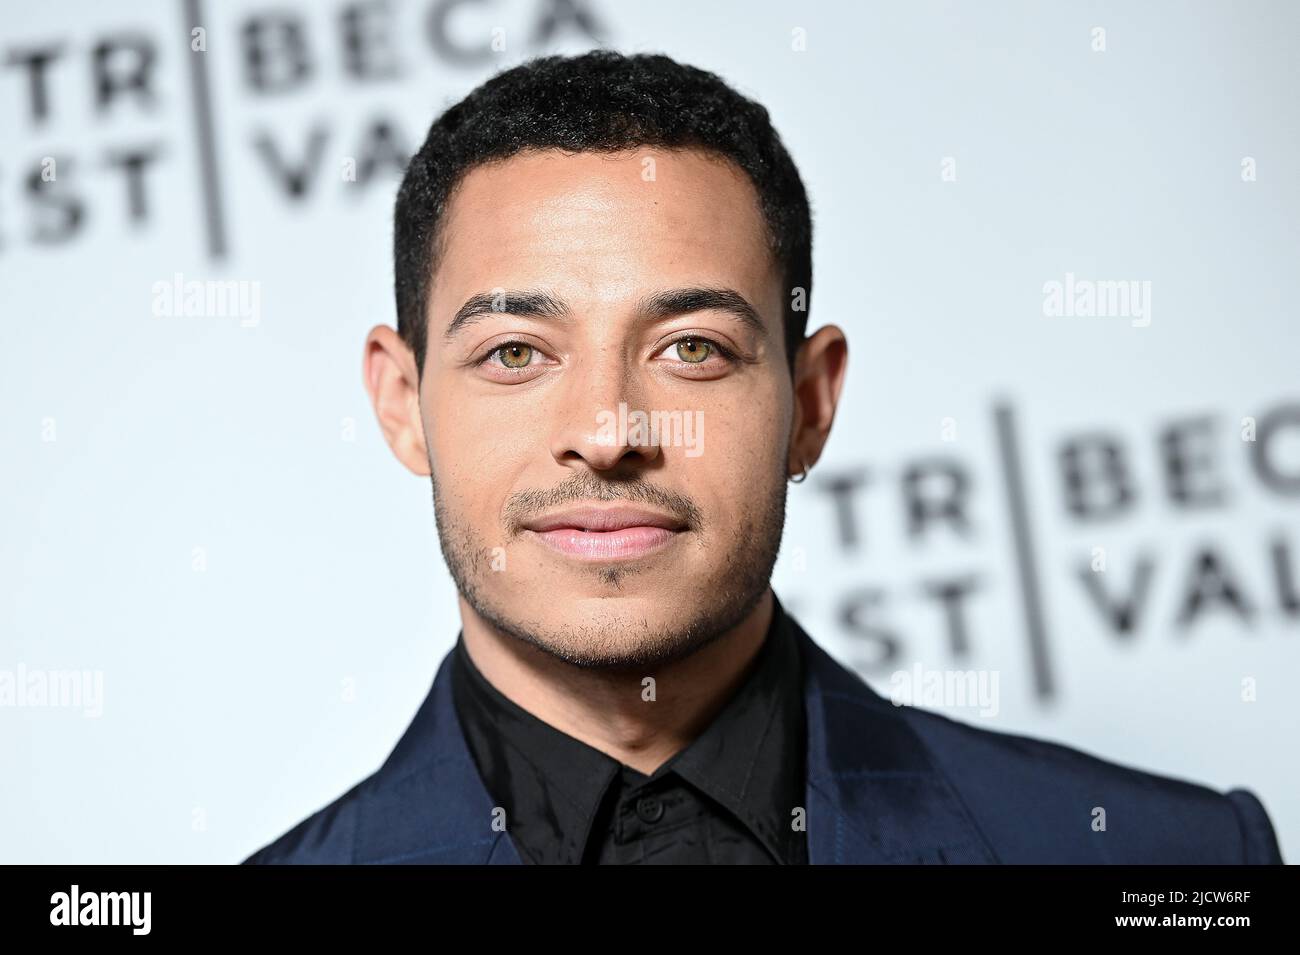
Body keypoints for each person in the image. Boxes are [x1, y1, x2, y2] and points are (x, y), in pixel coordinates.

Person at [242, 50, 1282, 864]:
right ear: (402, 403)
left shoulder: (1170, 859)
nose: (607, 434)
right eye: (515, 353)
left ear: (808, 402)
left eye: (690, 348)